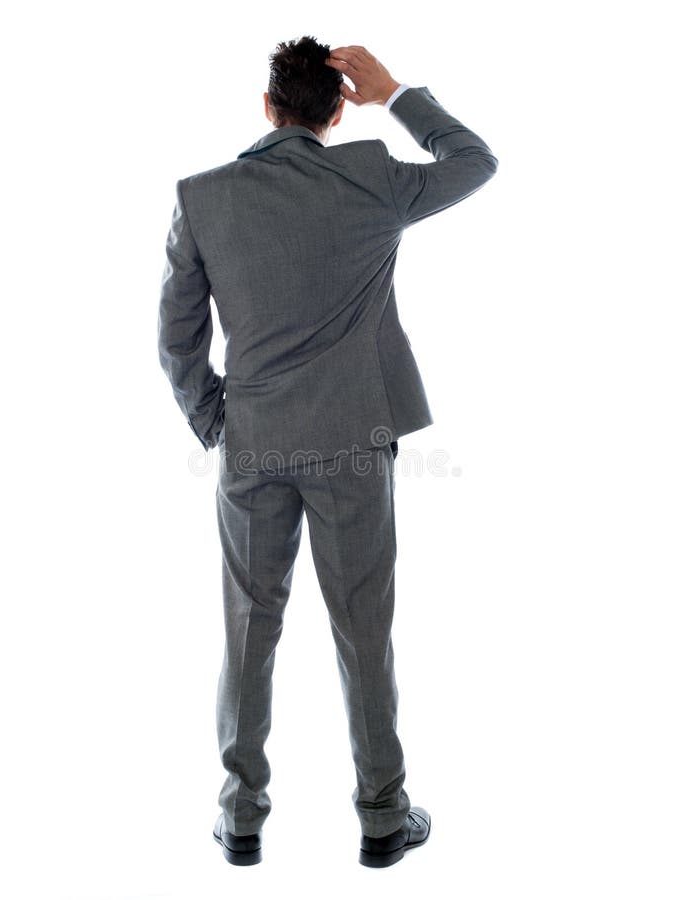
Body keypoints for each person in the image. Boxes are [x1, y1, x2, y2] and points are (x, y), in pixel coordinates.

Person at [158, 35, 497, 868]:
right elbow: (474, 160)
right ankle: (383, 818)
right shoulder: (371, 176)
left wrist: (217, 422)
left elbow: (176, 338)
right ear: (335, 110)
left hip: (253, 446)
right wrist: (395, 94)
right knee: (362, 631)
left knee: (248, 630)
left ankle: (240, 817)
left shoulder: (203, 197)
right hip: (352, 443)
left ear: (267, 107)